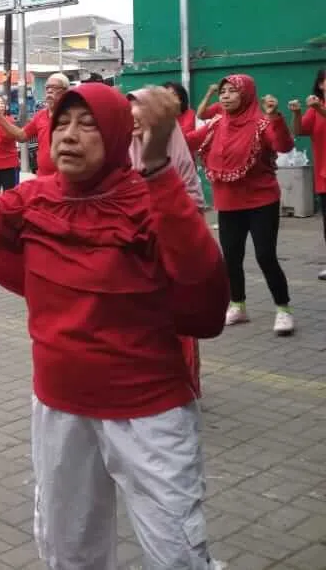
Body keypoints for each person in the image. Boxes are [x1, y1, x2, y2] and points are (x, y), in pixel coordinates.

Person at [0, 84, 228, 569]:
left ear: (115, 135)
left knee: (177, 555)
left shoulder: (147, 197)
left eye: (87, 124)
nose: (68, 135)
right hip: (59, 409)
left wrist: (156, 168)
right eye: (62, 123)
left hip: (149, 413)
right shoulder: (33, 198)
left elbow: (204, 295)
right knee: (69, 551)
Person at [190, 74, 295, 335]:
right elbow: (189, 139)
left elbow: (284, 145)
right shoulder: (216, 124)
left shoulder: (261, 123)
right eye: (222, 91)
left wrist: (275, 117)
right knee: (231, 258)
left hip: (261, 200)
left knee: (265, 256)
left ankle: (283, 309)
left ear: (246, 94)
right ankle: (238, 305)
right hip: (228, 202)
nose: (224, 96)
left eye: (231, 91)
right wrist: (157, 129)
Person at [129, 89, 206, 399]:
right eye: (129, 112)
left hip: (173, 245)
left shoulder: (173, 147)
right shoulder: (119, 148)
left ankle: (184, 385)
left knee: (178, 320)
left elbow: (192, 200)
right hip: (134, 250)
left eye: (141, 112)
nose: (133, 118)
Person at [289, 69, 326, 280]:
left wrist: (319, 108)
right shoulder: (314, 108)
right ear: (321, 84)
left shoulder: (318, 107)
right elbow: (298, 131)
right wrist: (296, 112)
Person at [0, 72, 70, 176]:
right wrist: (0, 118)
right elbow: (22, 136)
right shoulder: (40, 115)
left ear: (65, 91)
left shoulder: (72, 116)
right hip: (43, 177)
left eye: (54, 87)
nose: (49, 91)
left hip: (66, 177)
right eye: (47, 87)